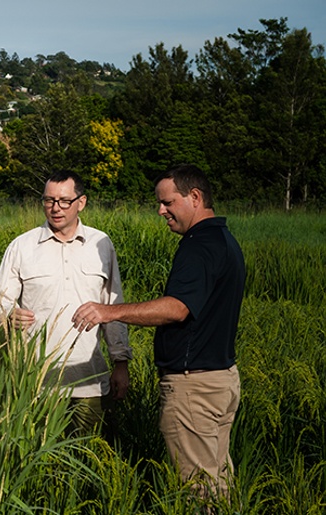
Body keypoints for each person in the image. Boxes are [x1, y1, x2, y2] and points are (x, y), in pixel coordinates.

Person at [72, 164, 245, 500]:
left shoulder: (199, 246)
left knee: (198, 492)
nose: (161, 210)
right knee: (218, 485)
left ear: (194, 197)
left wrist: (108, 311)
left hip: (194, 386)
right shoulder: (224, 239)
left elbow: (177, 307)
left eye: (167, 202)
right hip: (221, 380)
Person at [0, 170, 132, 436]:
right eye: (48, 200)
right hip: (36, 383)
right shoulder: (22, 246)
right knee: (38, 458)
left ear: (81, 202)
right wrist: (8, 314)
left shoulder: (101, 244)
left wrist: (120, 363)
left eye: (64, 201)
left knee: (88, 454)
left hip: (89, 381)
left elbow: (113, 306)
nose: (55, 208)